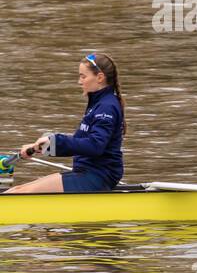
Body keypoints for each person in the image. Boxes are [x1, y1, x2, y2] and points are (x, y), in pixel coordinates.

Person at [5, 53, 126, 195]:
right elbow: (80, 143)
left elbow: (95, 146)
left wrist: (55, 140)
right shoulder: (98, 104)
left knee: (17, 194)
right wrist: (41, 147)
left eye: (83, 76)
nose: (79, 82)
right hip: (86, 173)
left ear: (99, 77)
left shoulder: (106, 107)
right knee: (16, 190)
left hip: (97, 177)